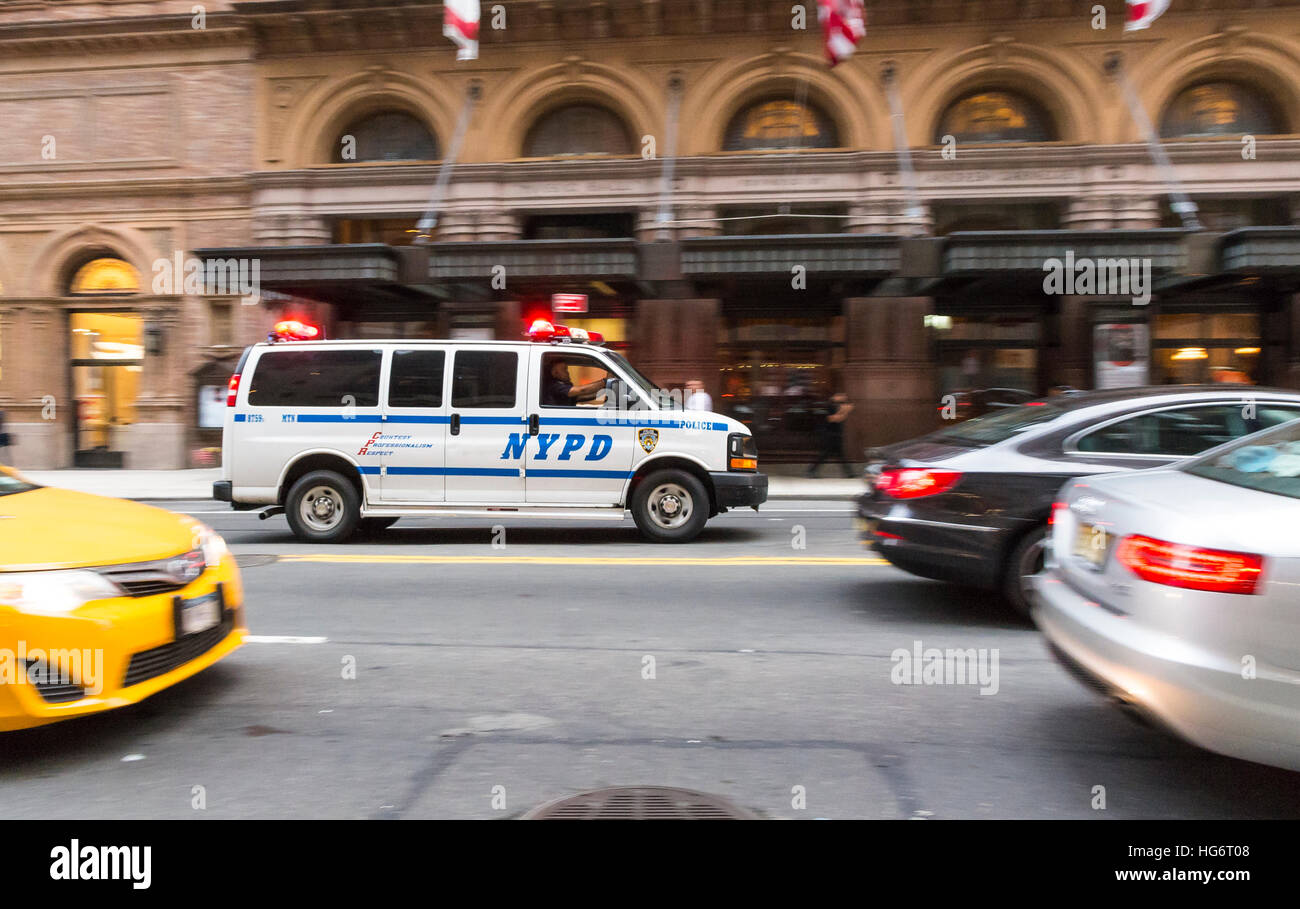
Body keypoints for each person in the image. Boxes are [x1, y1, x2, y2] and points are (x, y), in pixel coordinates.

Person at [807, 391, 855, 478]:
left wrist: (845, 410)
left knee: (839, 455)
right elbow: (833, 419)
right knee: (826, 454)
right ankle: (811, 471)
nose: (844, 397)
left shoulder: (837, 405)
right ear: (835, 396)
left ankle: (849, 473)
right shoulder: (830, 406)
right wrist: (845, 411)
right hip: (830, 434)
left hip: (836, 434)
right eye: (842, 395)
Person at [542, 356, 608, 407]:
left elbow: (582, 397)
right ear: (555, 373)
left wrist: (604, 391)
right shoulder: (554, 385)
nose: (567, 372)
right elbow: (582, 390)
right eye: (564, 369)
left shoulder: (562, 387)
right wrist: (605, 381)